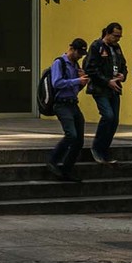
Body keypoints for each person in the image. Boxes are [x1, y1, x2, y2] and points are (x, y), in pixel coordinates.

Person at [83, 22, 128, 164]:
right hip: (101, 88)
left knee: (114, 120)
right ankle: (96, 147)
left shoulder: (117, 48)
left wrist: (122, 75)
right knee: (108, 116)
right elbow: (90, 69)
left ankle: (104, 150)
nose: (117, 39)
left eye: (120, 37)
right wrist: (107, 81)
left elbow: (123, 65)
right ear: (107, 33)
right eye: (115, 36)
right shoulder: (97, 47)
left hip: (115, 88)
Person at [47, 37, 89, 182]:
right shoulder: (59, 63)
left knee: (79, 140)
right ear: (72, 49)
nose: (80, 57)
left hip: (73, 103)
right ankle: (53, 161)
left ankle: (67, 169)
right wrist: (77, 80)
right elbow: (57, 82)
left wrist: (82, 81)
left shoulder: (76, 66)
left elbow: (75, 89)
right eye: (79, 53)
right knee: (71, 134)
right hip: (61, 104)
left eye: (82, 55)